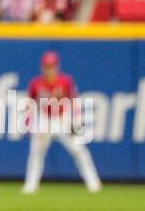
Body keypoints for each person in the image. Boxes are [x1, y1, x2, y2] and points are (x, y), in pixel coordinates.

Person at [22, 51, 102, 194]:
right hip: (44, 119)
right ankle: (31, 185)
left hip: (62, 117)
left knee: (79, 150)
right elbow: (29, 104)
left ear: (57, 66)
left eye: (52, 66)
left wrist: (75, 121)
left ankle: (94, 184)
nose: (49, 69)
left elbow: (74, 100)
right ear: (42, 67)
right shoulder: (36, 83)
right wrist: (30, 123)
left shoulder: (66, 81)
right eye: (47, 66)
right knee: (36, 152)